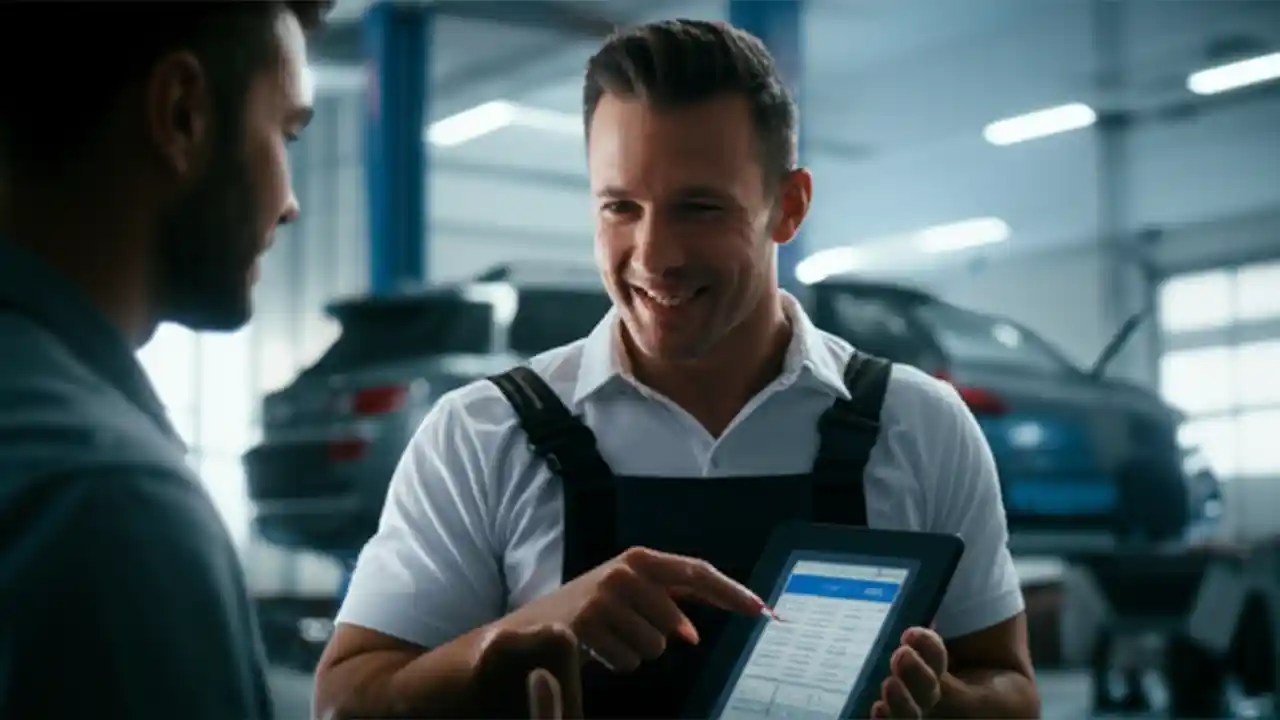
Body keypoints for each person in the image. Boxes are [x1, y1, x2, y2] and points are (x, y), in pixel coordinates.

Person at [316, 18, 1040, 720]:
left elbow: (1009, 686)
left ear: (787, 207)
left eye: (699, 208)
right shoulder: (481, 435)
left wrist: (938, 704)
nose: (654, 255)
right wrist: (527, 634)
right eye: (620, 207)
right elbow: (345, 701)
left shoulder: (919, 426)